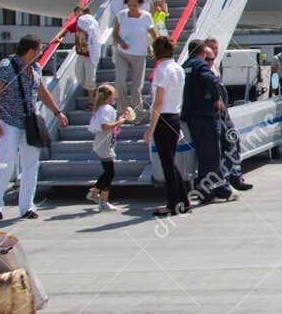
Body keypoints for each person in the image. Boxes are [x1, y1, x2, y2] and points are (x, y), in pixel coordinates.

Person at [0, 35, 69, 221]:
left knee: (31, 164)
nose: (41, 53)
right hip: (8, 122)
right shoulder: (5, 68)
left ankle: (26, 207)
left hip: (30, 123)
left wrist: (57, 112)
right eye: (40, 50)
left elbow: (41, 91)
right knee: (6, 164)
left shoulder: (35, 68)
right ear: (31, 51)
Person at [182, 39, 234, 204]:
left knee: (203, 156)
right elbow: (211, 82)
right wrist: (216, 99)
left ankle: (205, 192)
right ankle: (222, 190)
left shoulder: (185, 66)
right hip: (205, 115)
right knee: (212, 155)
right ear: (203, 52)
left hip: (191, 116)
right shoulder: (200, 66)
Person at [144, 36, 188, 217]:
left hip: (164, 118)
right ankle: (183, 200)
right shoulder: (178, 68)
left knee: (167, 164)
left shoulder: (161, 70)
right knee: (170, 162)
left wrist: (150, 128)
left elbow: (159, 101)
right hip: (175, 116)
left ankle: (173, 203)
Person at [203, 37, 252, 191]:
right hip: (218, 113)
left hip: (224, 112)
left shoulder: (214, 66)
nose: (215, 52)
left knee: (234, 141)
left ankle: (236, 176)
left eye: (216, 49)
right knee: (227, 145)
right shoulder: (205, 67)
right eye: (212, 48)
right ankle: (230, 179)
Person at [86, 83, 134, 212]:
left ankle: (94, 192)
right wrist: (119, 121)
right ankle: (103, 200)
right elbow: (105, 126)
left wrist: (120, 119)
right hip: (105, 143)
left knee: (108, 171)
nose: (115, 98)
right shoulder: (107, 109)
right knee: (110, 172)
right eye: (113, 95)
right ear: (108, 96)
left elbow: (107, 125)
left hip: (102, 142)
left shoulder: (101, 108)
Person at [112, 0, 155, 122]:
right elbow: (115, 34)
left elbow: (153, 34)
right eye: (129, 5)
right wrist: (121, 42)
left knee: (136, 87)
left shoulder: (146, 17)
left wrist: (152, 47)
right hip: (122, 53)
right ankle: (122, 111)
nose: (131, 8)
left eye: (134, 5)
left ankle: (138, 112)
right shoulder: (121, 15)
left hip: (139, 54)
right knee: (120, 82)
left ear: (140, 4)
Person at [54, 4, 103, 94]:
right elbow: (67, 29)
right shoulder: (78, 23)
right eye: (76, 15)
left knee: (90, 78)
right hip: (81, 53)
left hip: (90, 54)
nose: (77, 17)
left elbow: (92, 33)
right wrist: (58, 36)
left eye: (78, 14)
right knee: (79, 74)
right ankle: (93, 92)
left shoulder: (91, 22)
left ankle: (91, 99)